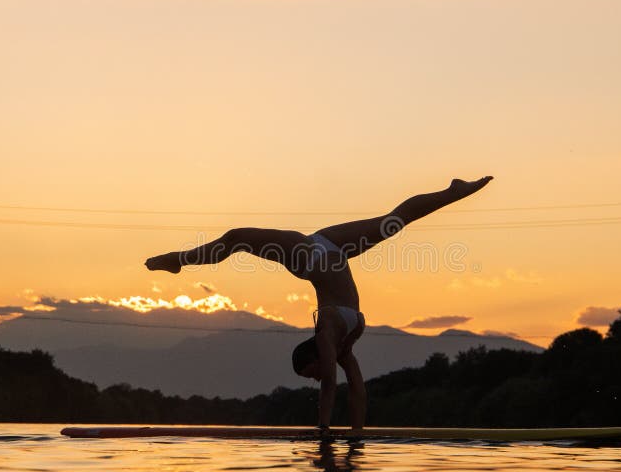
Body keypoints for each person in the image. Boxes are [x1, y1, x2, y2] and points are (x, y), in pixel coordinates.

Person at [145, 176, 494, 431]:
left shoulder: (328, 332)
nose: (313, 378)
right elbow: (356, 387)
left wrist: (323, 427)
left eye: (307, 372)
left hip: (309, 255)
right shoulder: (344, 343)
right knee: (393, 222)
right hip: (332, 248)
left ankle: (180, 259)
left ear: (312, 355)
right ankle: (452, 192)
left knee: (237, 238)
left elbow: (330, 381)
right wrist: (357, 435)